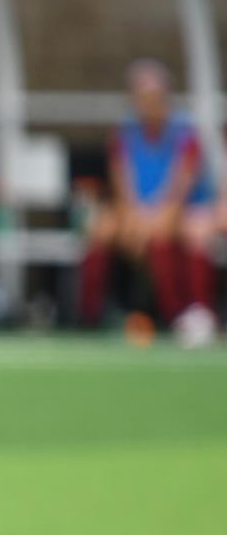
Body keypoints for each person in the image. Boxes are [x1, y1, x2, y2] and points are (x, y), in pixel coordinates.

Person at [78, 59, 217, 347]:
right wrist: (133, 217)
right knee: (99, 230)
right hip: (139, 210)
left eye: (154, 97)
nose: (147, 103)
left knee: (167, 233)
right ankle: (89, 318)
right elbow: (123, 183)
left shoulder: (184, 132)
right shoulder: (125, 132)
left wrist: (155, 217)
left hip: (177, 209)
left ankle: (180, 316)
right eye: (141, 97)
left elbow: (180, 188)